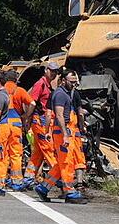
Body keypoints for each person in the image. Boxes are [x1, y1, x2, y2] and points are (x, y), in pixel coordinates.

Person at [34, 69, 85, 203]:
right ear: (63, 80)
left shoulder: (66, 93)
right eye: (71, 82)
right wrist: (65, 135)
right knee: (67, 162)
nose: (73, 85)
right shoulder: (61, 95)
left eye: (75, 82)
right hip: (63, 132)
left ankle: (44, 187)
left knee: (61, 163)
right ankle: (69, 191)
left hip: (65, 131)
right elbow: (59, 115)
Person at [21, 62, 60, 189]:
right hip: (39, 121)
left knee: (38, 152)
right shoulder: (40, 84)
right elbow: (32, 102)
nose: (53, 74)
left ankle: (28, 178)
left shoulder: (47, 86)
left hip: (42, 120)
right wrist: (28, 119)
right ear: (46, 71)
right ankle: (58, 175)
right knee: (48, 149)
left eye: (55, 72)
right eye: (51, 71)